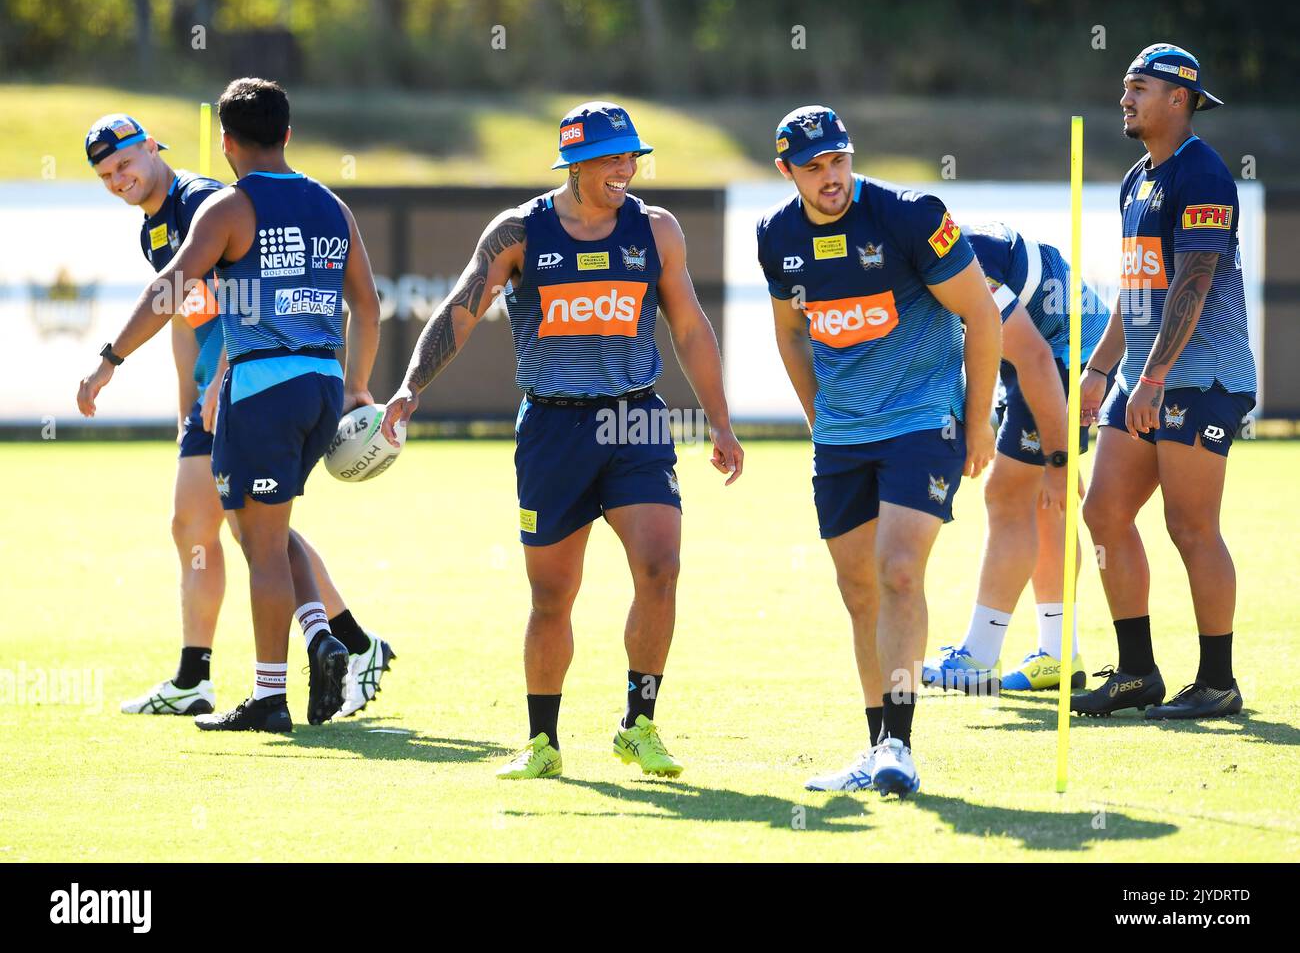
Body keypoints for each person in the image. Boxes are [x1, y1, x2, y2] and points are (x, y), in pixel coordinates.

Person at [381, 101, 743, 780]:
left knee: (661, 566)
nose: (626, 170)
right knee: (553, 595)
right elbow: (461, 310)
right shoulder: (519, 231)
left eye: (632, 158)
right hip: (553, 429)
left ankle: (639, 725)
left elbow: (690, 328)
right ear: (574, 164)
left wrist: (719, 420)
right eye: (611, 159)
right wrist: (409, 386)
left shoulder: (656, 229)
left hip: (637, 420)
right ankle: (542, 741)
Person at [77, 79, 384, 731]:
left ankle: (327, 658)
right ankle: (212, 672)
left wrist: (114, 360)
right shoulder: (315, 204)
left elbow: (188, 297)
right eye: (106, 174)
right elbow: (194, 318)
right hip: (277, 384)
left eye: (125, 164)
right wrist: (189, 401)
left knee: (254, 533)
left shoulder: (218, 204)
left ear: (167, 147)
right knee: (209, 525)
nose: (119, 179)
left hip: (250, 386)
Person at [757, 106, 1000, 796]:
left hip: (924, 422)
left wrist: (977, 423)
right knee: (858, 588)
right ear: (788, 173)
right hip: (841, 436)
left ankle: (900, 744)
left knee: (897, 571)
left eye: (839, 160)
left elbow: (980, 312)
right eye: (814, 168)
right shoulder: (775, 236)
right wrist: (818, 418)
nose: (831, 177)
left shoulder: (909, 215)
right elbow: (790, 333)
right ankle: (875, 749)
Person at [1074, 44, 1256, 719]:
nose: (1125, 98)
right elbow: (1137, 288)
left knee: (1189, 525)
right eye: (1125, 87)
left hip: (1203, 379)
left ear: (1178, 98)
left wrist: (1152, 377)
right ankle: (1136, 673)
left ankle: (1217, 682)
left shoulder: (1202, 173)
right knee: (1103, 513)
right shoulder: (1135, 179)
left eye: (1139, 88)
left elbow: (1196, 281)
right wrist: (1099, 371)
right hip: (1143, 379)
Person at [921, 222, 1110, 693]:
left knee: (1010, 496)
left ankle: (980, 657)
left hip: (1063, 354)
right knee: (1043, 507)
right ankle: (1059, 653)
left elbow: (1037, 360)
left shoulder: (961, 265)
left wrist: (1061, 460)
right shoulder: (929, 251)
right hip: (1040, 349)